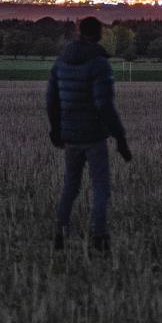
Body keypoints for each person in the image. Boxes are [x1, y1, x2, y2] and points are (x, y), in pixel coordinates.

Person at [47, 16, 132, 252]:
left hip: (70, 135)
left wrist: (56, 129)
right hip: (94, 135)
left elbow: (51, 100)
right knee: (100, 186)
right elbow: (105, 105)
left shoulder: (61, 61)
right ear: (99, 34)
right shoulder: (99, 64)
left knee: (70, 186)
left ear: (79, 32)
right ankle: (99, 237)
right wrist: (120, 139)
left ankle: (60, 235)